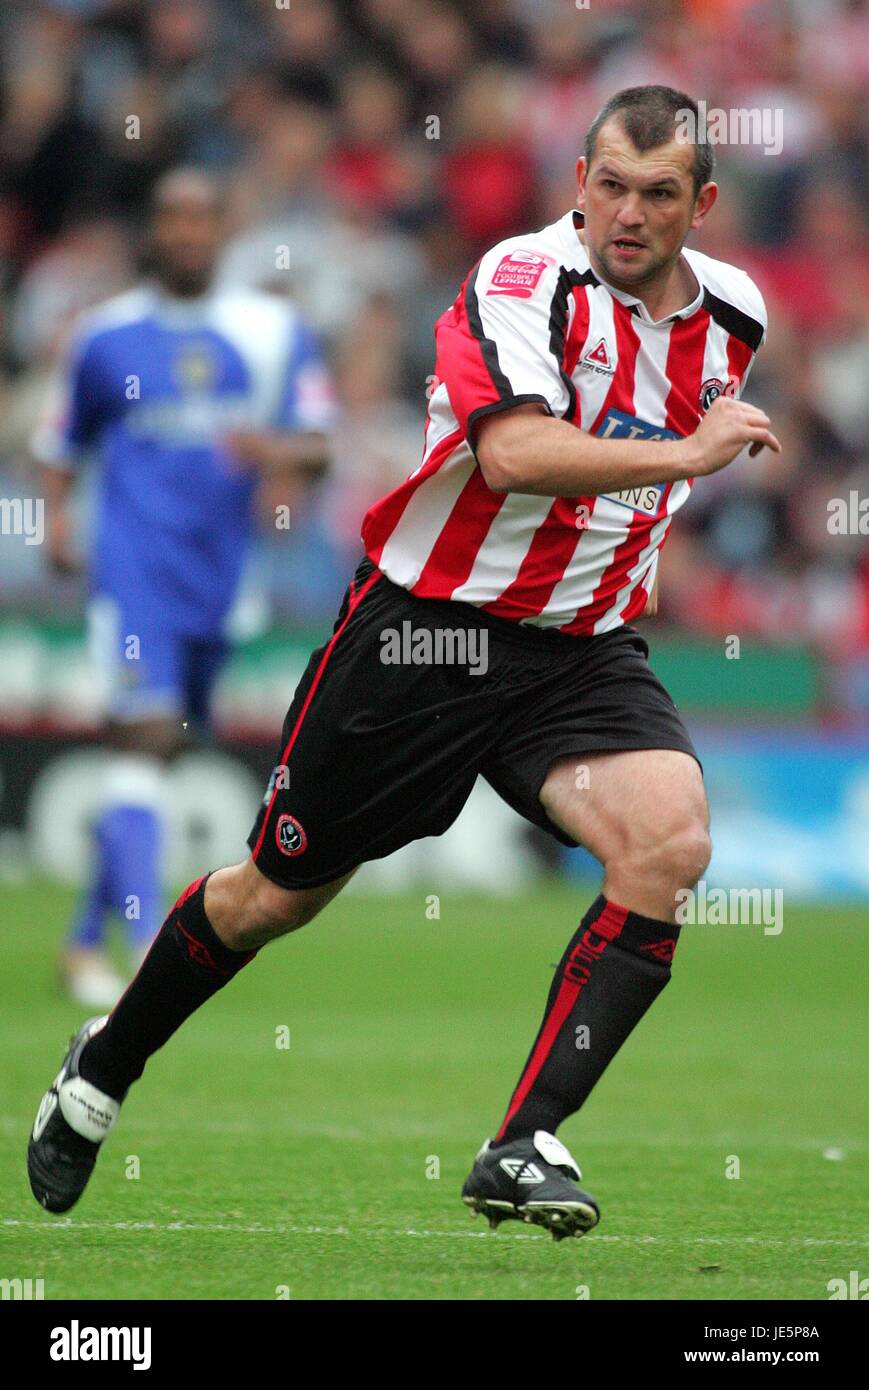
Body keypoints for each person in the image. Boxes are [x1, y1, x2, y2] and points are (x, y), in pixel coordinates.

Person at [29, 88, 779, 1240]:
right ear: (577, 182)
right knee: (271, 897)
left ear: (702, 202)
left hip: (577, 653)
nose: (627, 214)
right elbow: (514, 453)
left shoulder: (734, 315)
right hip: (427, 636)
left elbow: (647, 478)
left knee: (669, 837)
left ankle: (521, 1140)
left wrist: (659, 526)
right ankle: (102, 1064)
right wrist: (689, 452)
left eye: (657, 193)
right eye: (609, 187)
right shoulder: (518, 284)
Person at [33, 168, 337, 1008]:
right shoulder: (103, 335)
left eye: (203, 217)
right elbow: (60, 444)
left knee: (164, 747)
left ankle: (84, 941)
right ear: (153, 231)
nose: (188, 231)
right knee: (142, 738)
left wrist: (269, 451)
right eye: (173, 216)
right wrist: (56, 522)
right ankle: (139, 950)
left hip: (221, 581)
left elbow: (318, 445)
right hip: (131, 576)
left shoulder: (269, 330)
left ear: (223, 228)